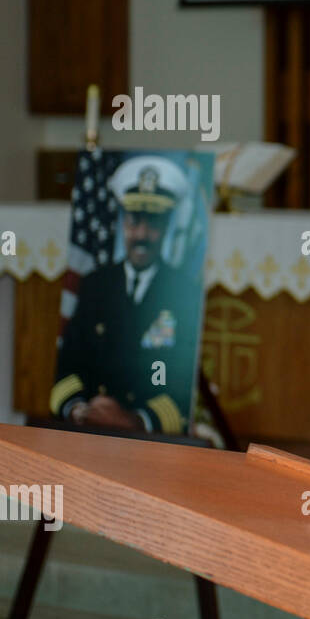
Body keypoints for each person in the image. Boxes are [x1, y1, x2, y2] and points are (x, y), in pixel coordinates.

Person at [50, 157, 202, 435]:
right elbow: (67, 367)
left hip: (150, 439)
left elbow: (182, 387)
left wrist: (136, 421)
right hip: (89, 429)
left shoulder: (185, 293)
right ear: (122, 223)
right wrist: (79, 410)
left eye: (153, 223)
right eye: (134, 221)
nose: (142, 234)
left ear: (167, 227)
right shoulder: (95, 285)